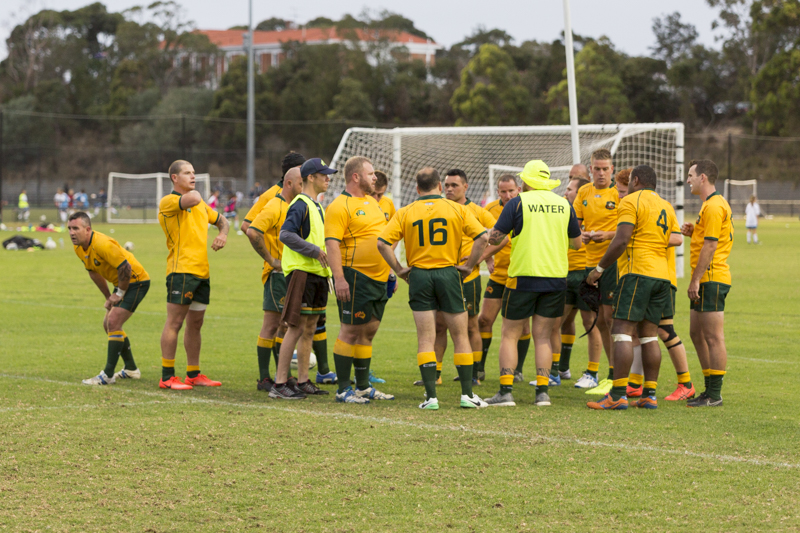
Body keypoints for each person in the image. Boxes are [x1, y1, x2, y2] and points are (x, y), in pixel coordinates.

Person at [377, 167, 489, 410]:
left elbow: (382, 243)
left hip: (419, 276)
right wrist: (470, 266)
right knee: (460, 335)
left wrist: (399, 269)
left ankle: (430, 398)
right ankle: (467, 395)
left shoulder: (405, 212)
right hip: (449, 273)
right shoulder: (458, 208)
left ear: (417, 189)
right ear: (440, 186)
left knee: (425, 338)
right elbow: (482, 237)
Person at [482, 160, 582, 407]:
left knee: (509, 334)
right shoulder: (564, 204)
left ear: (525, 181)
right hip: (556, 278)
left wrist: (484, 237)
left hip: (523, 277)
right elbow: (577, 244)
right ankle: (543, 393)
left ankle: (505, 392)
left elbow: (496, 238)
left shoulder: (517, 203)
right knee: (543, 337)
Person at [586, 165, 682, 410]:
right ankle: (649, 394)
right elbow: (676, 237)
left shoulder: (630, 201)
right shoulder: (666, 205)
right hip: (662, 276)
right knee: (649, 334)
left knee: (621, 331)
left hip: (638, 272)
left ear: (635, 180)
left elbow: (622, 239)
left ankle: (617, 395)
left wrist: (599, 269)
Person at [325, 156, 395, 403]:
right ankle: (344, 389)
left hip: (379, 278)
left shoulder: (373, 203)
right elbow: (331, 244)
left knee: (369, 331)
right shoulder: (339, 206)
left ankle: (364, 387)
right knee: (350, 330)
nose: (375, 177)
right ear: (356, 176)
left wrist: (390, 271)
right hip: (355, 277)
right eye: (370, 173)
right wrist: (340, 278)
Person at [158, 160, 229, 390]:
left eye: (194, 173)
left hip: (202, 272)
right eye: (187, 173)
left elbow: (223, 221)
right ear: (174, 178)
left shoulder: (199, 204)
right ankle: (167, 376)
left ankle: (193, 373)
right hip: (181, 272)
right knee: (175, 322)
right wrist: (195, 192)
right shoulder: (169, 201)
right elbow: (194, 198)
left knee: (195, 324)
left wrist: (223, 235)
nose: (193, 176)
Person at [271, 158, 336, 400]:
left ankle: (302, 380)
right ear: (311, 177)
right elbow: (285, 234)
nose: (328, 178)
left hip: (318, 274)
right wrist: (313, 250)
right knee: (296, 328)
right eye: (324, 174)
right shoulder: (300, 204)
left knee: (310, 328)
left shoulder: (317, 206)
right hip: (301, 273)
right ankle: (279, 383)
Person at [68, 211, 150, 385]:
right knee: (109, 324)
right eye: (69, 228)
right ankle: (131, 369)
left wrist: (119, 293)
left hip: (137, 281)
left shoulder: (103, 244)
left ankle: (107, 375)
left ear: (88, 229)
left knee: (113, 322)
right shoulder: (79, 248)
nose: (71, 233)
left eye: (76, 228)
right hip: (121, 282)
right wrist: (108, 296)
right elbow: (93, 272)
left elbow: (125, 268)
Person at [436, 169, 497, 386]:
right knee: (439, 326)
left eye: (454, 185)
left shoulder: (478, 212)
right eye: (447, 185)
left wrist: (479, 257)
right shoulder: (439, 208)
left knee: (471, 326)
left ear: (466, 187)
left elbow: (502, 238)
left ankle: (474, 374)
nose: (449, 189)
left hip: (467, 279)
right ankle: (436, 374)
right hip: (441, 276)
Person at [246, 168, 304, 391]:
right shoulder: (275, 205)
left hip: (291, 274)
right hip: (277, 275)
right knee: (271, 325)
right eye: (300, 182)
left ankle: (285, 375)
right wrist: (270, 259)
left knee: (285, 325)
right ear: (288, 183)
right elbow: (253, 231)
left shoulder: (294, 205)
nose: (303, 185)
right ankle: (264, 378)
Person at [682, 159, 733, 407]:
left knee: (713, 337)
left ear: (703, 177)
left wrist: (696, 279)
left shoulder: (713, 206)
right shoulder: (709, 205)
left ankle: (715, 394)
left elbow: (712, 245)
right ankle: (709, 388)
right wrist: (695, 232)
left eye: (690, 175)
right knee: (696, 332)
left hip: (710, 278)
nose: (687, 179)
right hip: (706, 277)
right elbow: (711, 238)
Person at [547, 170, 602, 386]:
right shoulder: (561, 211)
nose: (565, 191)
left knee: (590, 323)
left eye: (569, 189)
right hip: (564, 273)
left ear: (579, 193)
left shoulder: (589, 212)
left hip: (584, 273)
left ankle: (592, 373)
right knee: (555, 323)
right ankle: (554, 372)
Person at [572, 149, 619, 394]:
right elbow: (577, 225)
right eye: (596, 168)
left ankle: (615, 377)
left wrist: (608, 235)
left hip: (612, 264)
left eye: (605, 169)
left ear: (612, 169)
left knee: (610, 319)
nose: (600, 173)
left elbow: (627, 228)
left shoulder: (619, 193)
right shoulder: (584, 192)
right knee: (599, 320)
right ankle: (610, 374)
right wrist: (584, 236)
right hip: (590, 262)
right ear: (590, 169)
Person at [476, 175, 525, 384]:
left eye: (511, 191)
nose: (507, 195)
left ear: (519, 190)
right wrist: (488, 259)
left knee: (521, 326)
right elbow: (484, 238)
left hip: (520, 274)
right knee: (484, 320)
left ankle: (518, 369)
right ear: (498, 192)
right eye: (503, 192)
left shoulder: (524, 208)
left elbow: (506, 239)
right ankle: (479, 368)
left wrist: (485, 256)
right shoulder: (490, 210)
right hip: (498, 275)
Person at [241, 152, 306, 233]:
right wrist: (265, 245)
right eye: (301, 169)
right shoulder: (270, 195)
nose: (305, 172)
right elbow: (246, 225)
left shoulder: (303, 194)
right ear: (290, 171)